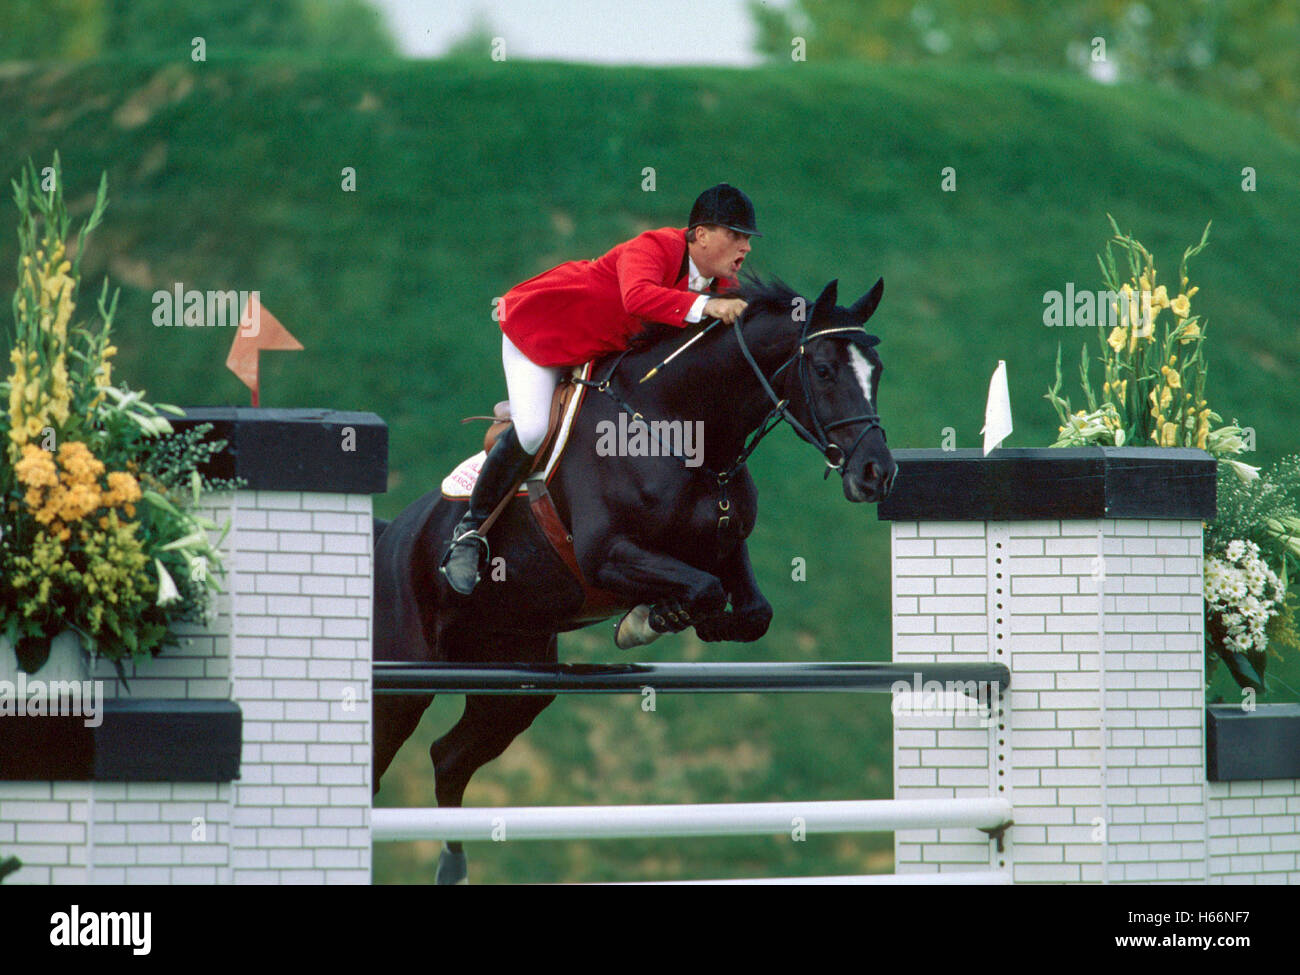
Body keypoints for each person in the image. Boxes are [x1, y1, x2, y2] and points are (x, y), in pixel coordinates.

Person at [440, 183, 761, 595]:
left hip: (598, 353)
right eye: (736, 236)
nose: (746, 248)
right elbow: (638, 298)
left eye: (748, 239)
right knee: (535, 428)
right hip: (542, 334)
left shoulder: (720, 288)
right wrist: (706, 308)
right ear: (701, 234)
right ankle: (470, 533)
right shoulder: (656, 246)